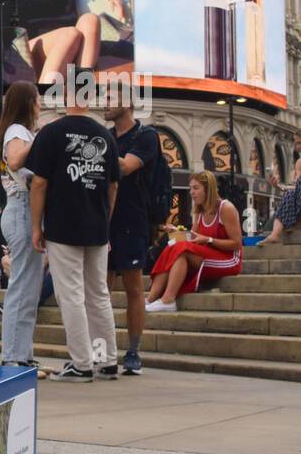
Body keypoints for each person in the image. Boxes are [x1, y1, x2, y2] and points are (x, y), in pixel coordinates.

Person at [27, 94, 120, 382]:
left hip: (63, 224)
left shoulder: (51, 132)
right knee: (98, 294)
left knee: (71, 295)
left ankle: (81, 364)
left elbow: (39, 182)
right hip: (97, 227)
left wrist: (35, 226)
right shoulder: (105, 135)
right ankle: (106, 361)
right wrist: (105, 220)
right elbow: (113, 186)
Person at [104, 96, 160, 375]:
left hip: (132, 219)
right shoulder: (106, 136)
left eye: (111, 99)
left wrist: (91, 152)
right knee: (100, 288)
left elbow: (125, 167)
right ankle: (102, 350)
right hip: (104, 219)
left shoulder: (146, 135)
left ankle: (133, 351)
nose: (105, 103)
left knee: (133, 287)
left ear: (127, 103)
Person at [0, 81, 45, 372]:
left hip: (23, 211)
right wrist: (41, 138)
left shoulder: (20, 132)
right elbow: (15, 161)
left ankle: (21, 354)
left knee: (29, 287)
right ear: (28, 103)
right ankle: (13, 355)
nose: (40, 105)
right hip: (22, 210)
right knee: (22, 286)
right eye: (37, 100)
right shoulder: (18, 132)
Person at [146, 171, 242, 311]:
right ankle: (151, 299)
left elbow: (236, 243)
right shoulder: (198, 210)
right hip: (207, 253)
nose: (191, 192)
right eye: (191, 188)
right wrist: (178, 232)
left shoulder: (226, 208)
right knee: (174, 247)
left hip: (229, 259)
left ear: (208, 189)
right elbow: (194, 238)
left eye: (196, 188)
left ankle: (167, 299)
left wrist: (209, 240)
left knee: (181, 249)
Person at [259, 156, 301, 245]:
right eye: (297, 143)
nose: (298, 146)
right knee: (290, 194)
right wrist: (279, 186)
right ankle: (275, 234)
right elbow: (297, 188)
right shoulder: (299, 163)